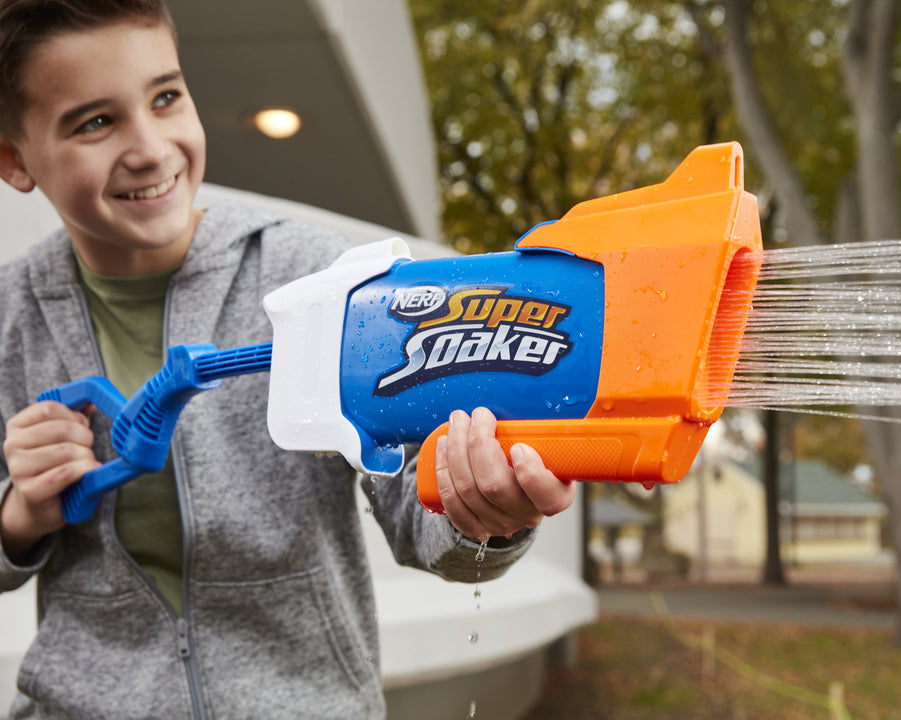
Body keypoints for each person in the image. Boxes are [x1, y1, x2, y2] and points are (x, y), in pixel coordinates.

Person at [0, 1, 575, 717]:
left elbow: (423, 525)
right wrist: (20, 515)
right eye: (95, 122)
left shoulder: (318, 276)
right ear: (14, 159)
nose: (150, 148)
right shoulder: (9, 316)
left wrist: (486, 514)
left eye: (166, 97)